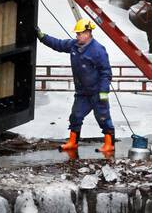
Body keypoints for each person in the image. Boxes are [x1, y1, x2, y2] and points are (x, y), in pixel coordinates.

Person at [37, 18, 115, 155]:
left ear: (88, 33)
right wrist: (42, 37)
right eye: (77, 34)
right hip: (82, 92)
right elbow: (58, 44)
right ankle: (73, 141)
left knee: (103, 117)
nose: (77, 36)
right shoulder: (74, 45)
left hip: (97, 92)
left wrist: (103, 91)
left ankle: (109, 144)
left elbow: (106, 72)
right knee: (76, 116)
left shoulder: (98, 50)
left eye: (80, 33)